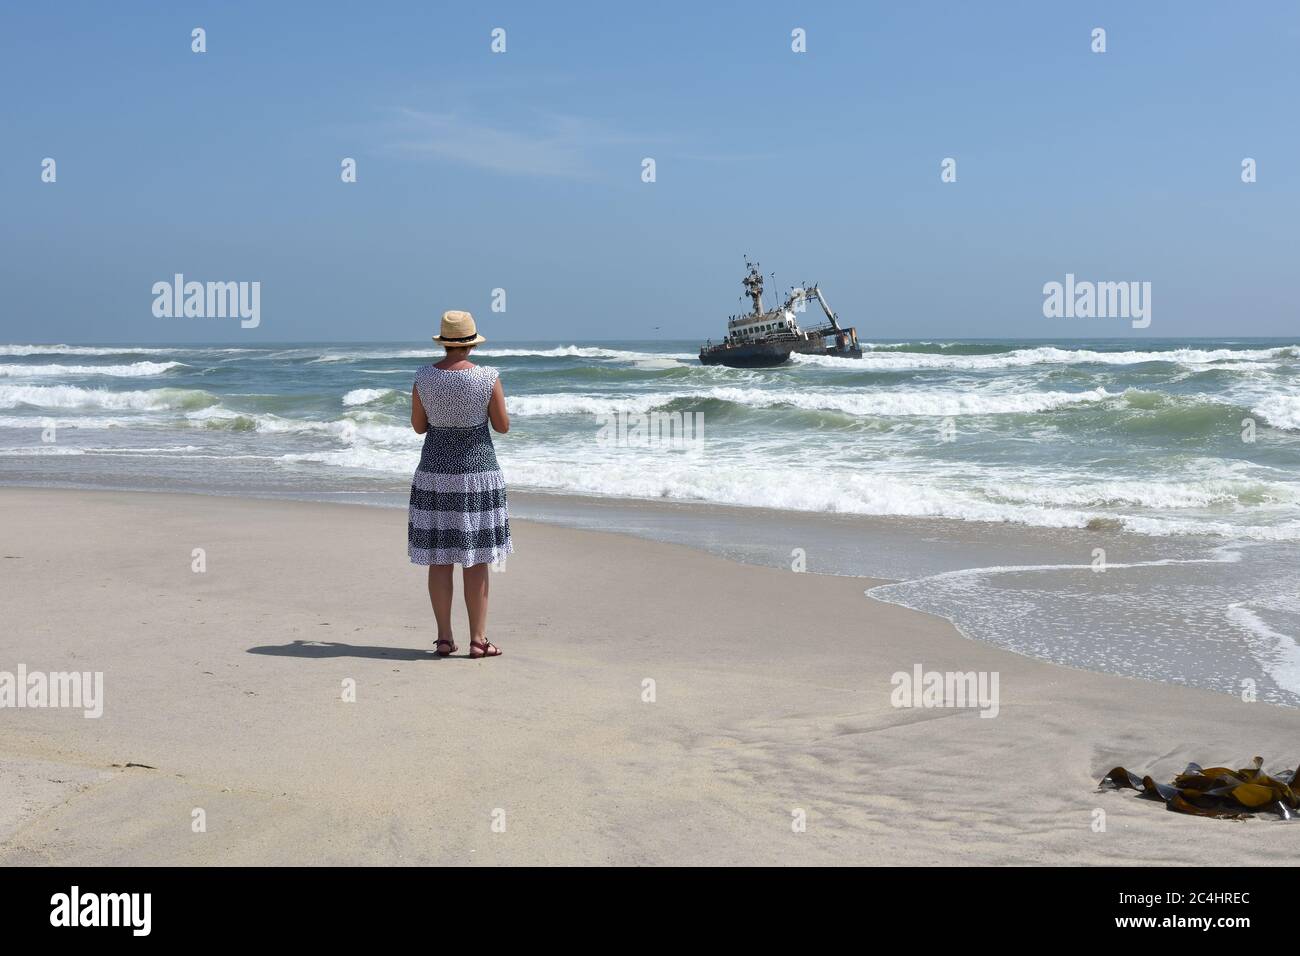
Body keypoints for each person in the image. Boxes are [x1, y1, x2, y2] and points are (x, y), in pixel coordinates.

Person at [408, 310, 512, 659]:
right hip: (477, 474)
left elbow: (419, 427)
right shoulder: (488, 377)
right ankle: (478, 640)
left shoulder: (423, 376)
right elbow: (502, 426)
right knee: (476, 559)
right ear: (470, 343)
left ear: (445, 341)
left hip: (435, 475)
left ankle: (443, 638)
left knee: (440, 558)